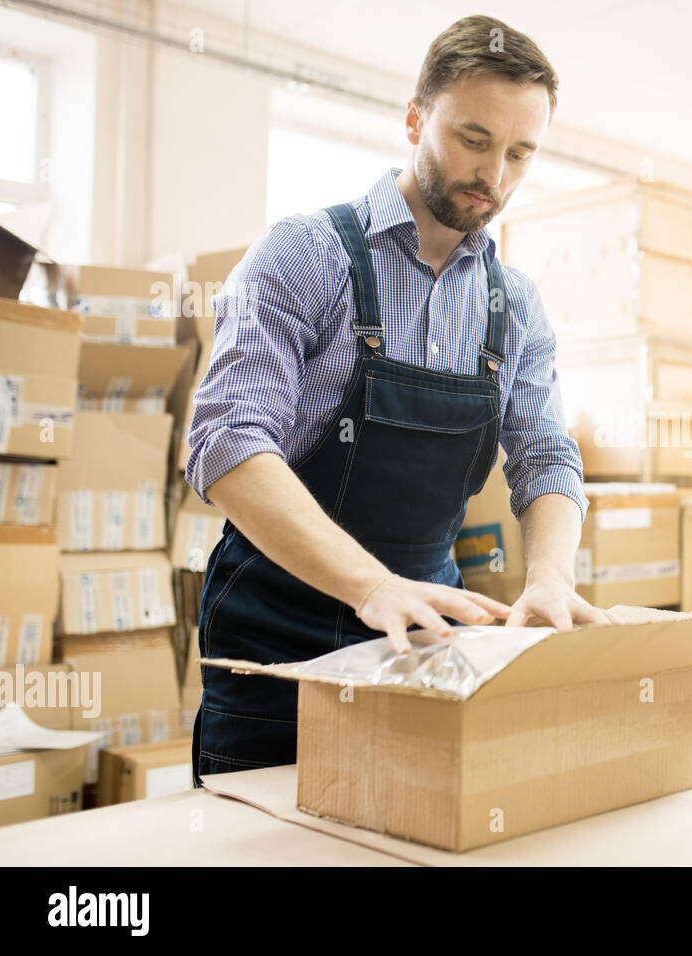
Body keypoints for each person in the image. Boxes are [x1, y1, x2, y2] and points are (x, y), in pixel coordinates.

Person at [185, 15, 612, 781]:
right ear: (415, 117)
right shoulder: (303, 255)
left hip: (421, 650)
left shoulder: (514, 305)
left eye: (520, 154)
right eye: (473, 140)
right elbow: (226, 444)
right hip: (276, 659)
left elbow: (546, 454)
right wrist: (369, 586)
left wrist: (550, 578)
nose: (496, 177)